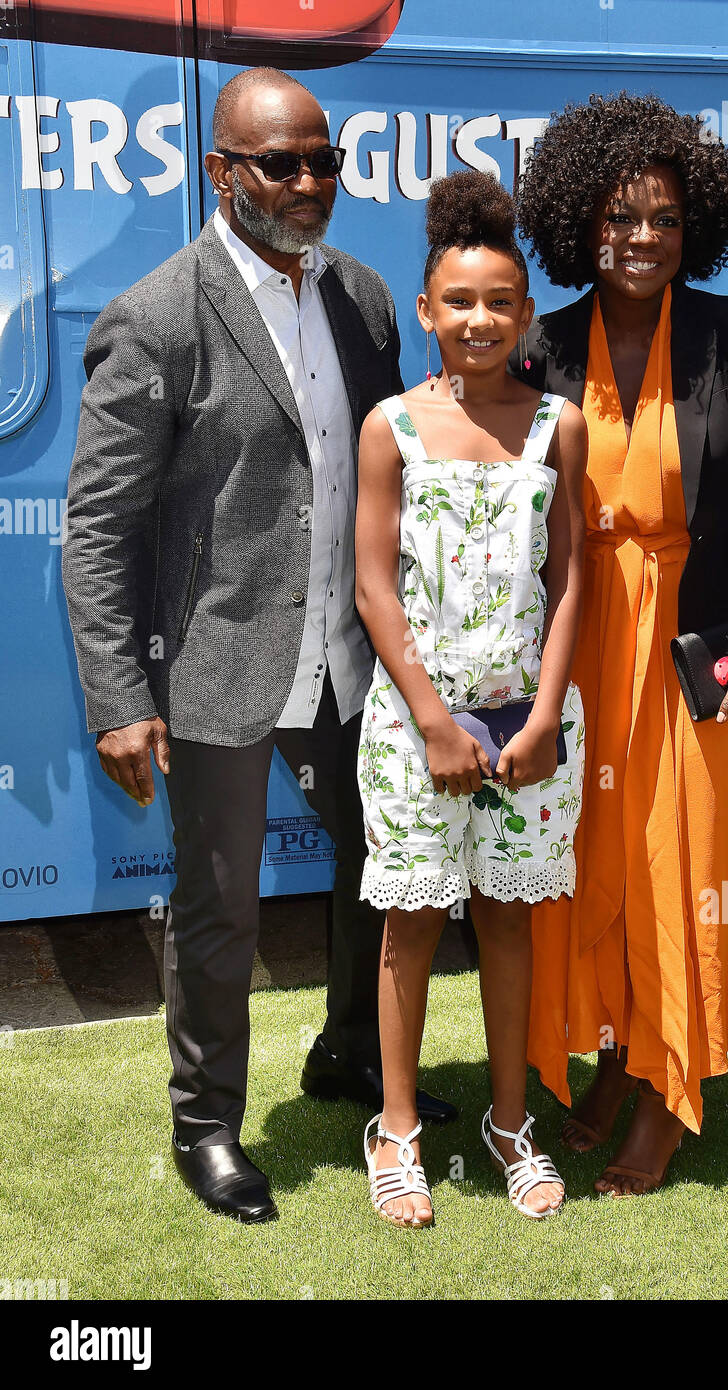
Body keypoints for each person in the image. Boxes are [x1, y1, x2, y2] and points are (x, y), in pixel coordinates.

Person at [61, 66, 453, 1226]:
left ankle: (344, 1053)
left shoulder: (367, 299)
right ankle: (207, 1126)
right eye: (278, 162)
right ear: (220, 171)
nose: (307, 182)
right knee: (220, 906)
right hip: (222, 662)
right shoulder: (159, 314)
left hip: (354, 654)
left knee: (380, 869)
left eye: (323, 160)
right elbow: (99, 525)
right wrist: (118, 695)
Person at [510, 92, 728, 1195]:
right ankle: (611, 1054)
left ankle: (664, 1092)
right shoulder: (541, 346)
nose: (642, 237)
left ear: (696, 231)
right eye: (618, 216)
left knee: (677, 866)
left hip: (694, 641)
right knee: (589, 862)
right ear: (574, 222)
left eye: (664, 220)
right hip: (578, 636)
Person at [354, 170, 588, 1226]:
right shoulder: (390, 427)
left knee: (505, 920)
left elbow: (571, 575)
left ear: (525, 312)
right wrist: (435, 723)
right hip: (417, 727)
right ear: (425, 309)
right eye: (459, 300)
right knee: (408, 925)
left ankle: (508, 1125)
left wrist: (541, 715)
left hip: (524, 723)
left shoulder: (557, 427)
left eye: (500, 300)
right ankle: (395, 1130)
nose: (480, 319)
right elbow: (369, 584)